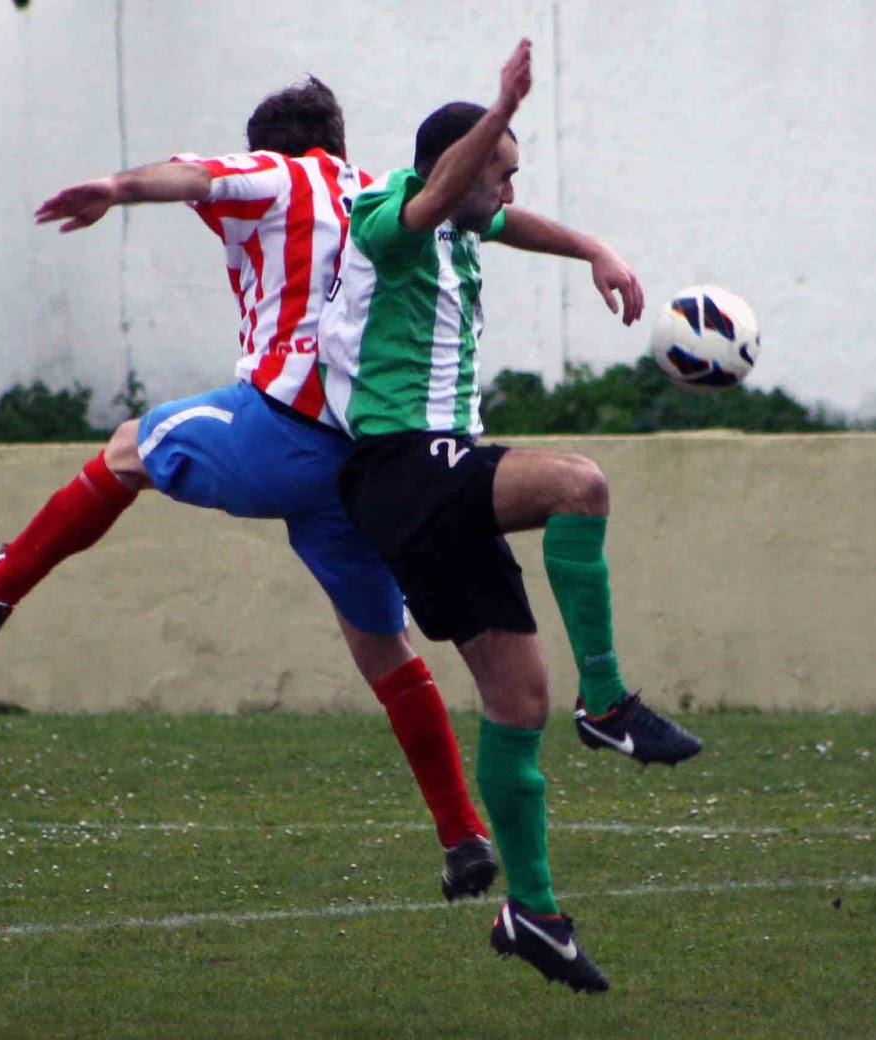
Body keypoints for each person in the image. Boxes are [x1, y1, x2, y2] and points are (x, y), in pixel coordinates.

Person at [0, 78, 498, 902]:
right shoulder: (381, 192)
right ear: (343, 138)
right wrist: (595, 250)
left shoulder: (285, 174)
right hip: (365, 462)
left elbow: (194, 178)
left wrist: (119, 188)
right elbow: (491, 218)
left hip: (280, 429)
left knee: (131, 447)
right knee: (383, 649)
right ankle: (462, 836)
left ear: (275, 144)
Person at [317, 40, 703, 992]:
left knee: (517, 701)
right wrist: (497, 107)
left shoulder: (466, 221)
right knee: (579, 484)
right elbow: (440, 196)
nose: (506, 186)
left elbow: (501, 217)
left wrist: (596, 250)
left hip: (429, 487)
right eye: (500, 167)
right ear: (455, 164)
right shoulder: (385, 214)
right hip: (400, 465)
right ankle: (608, 703)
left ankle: (531, 912)